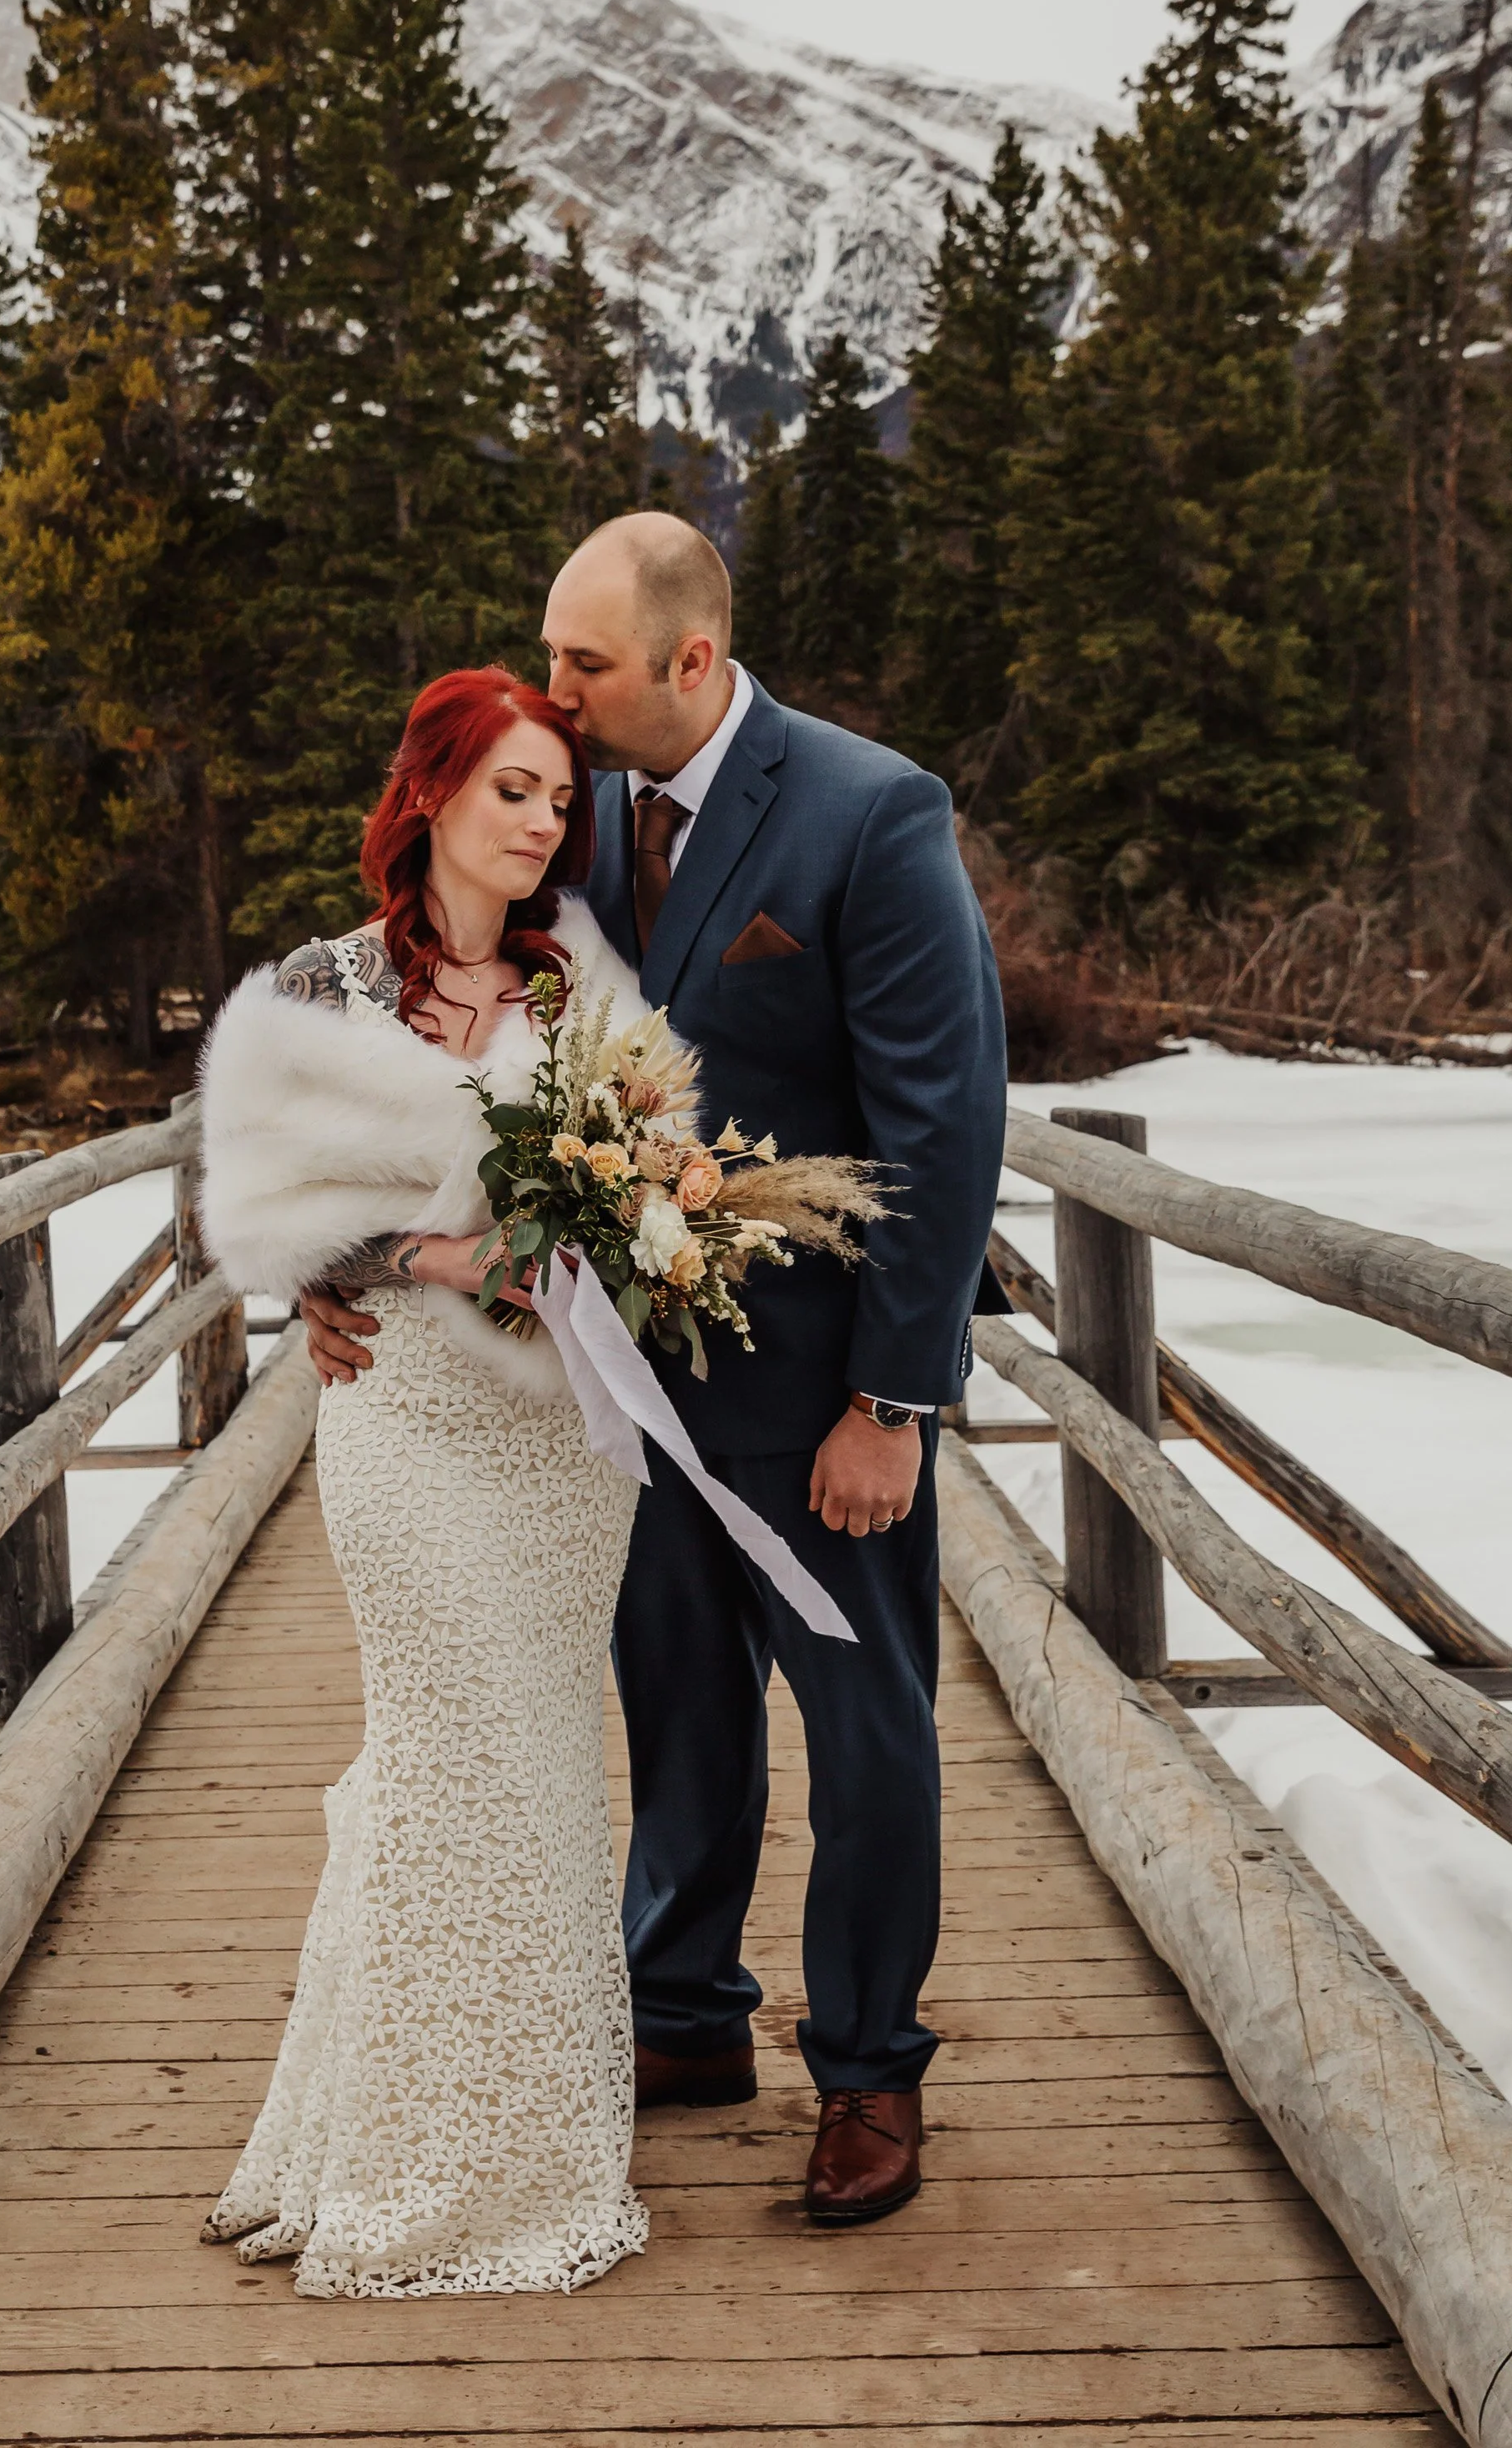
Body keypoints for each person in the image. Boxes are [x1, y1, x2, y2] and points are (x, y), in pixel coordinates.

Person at [304, 514, 1007, 2227]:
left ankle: (865, 2069)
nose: (553, 694)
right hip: (607, 1397)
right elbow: (438, 1037)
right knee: (674, 1709)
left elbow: (944, 1120)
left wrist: (893, 1402)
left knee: (865, 1733)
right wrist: (333, 1262)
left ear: (693, 661)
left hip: (819, 1397)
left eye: (585, 665)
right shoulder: (569, 815)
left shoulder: (869, 812)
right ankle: (684, 2014)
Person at [194, 666, 652, 2297]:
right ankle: (423, 2167)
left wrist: (605, 1240)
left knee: (523, 1774)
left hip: (552, 1449)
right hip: (397, 1419)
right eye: (512, 789)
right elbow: (259, 1209)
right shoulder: (321, 989)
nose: (541, 822)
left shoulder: (581, 988)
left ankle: (502, 2141)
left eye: (557, 798)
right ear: (435, 789)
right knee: (446, 1744)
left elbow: (650, 1189)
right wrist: (422, 1253)